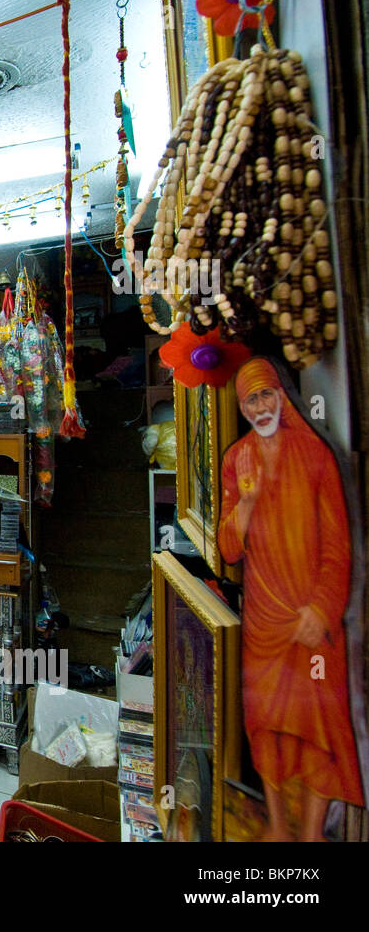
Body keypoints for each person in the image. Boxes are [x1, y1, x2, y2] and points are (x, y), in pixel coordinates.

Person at [218, 357, 363, 841]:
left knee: (320, 724)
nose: (259, 407)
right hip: (263, 621)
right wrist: (249, 505)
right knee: (266, 726)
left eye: (265, 396)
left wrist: (321, 609)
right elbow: (227, 549)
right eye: (250, 400)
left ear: (281, 395)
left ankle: (312, 834)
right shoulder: (236, 459)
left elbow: (338, 547)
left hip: (311, 621)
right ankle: (280, 830)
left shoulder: (316, 456)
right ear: (241, 407)